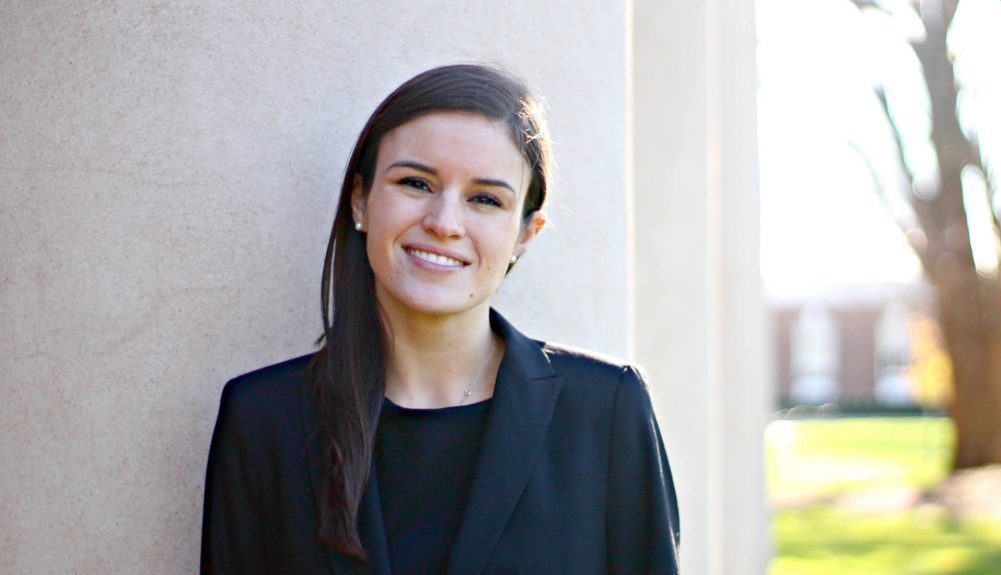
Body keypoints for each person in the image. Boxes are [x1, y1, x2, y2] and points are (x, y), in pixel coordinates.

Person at [200, 64, 680, 574]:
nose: (444, 223)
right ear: (360, 200)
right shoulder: (263, 419)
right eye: (415, 183)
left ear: (525, 234)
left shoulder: (606, 409)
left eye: (485, 199)